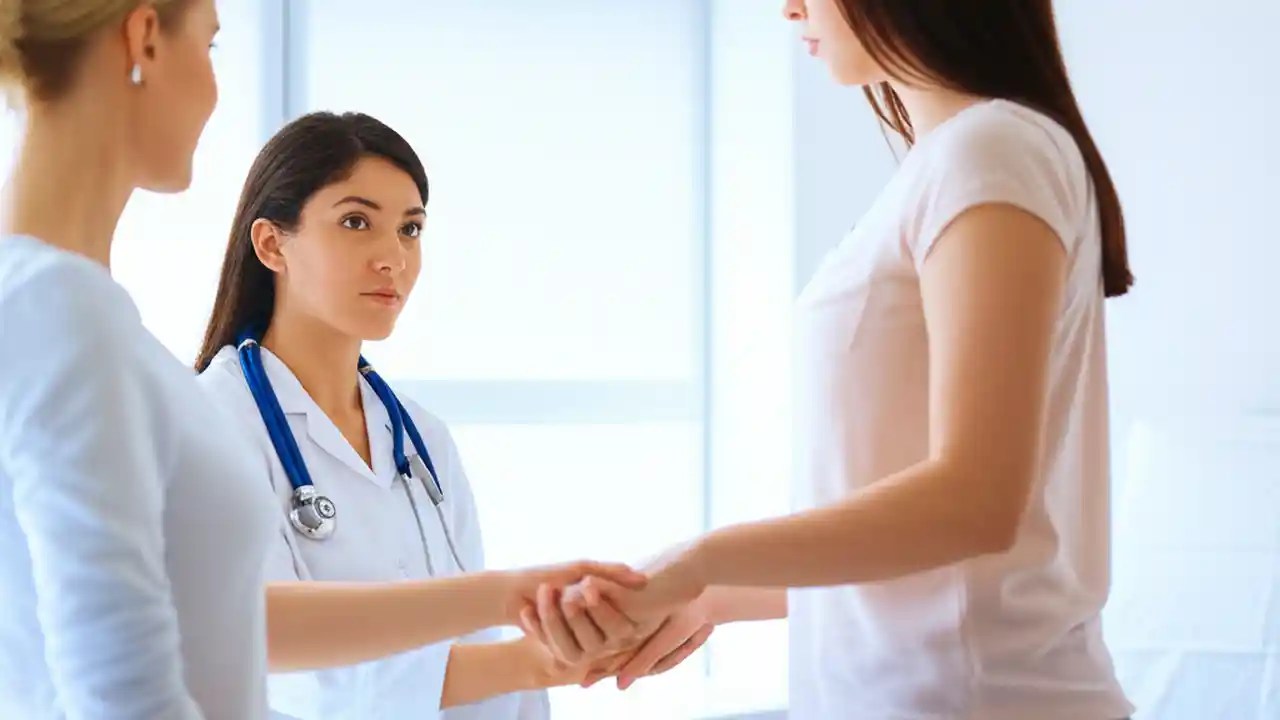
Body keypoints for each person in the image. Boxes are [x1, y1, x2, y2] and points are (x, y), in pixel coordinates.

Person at [532, 2, 1139, 719]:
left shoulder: (991, 150)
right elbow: (926, 557)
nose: (789, 7)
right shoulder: (956, 160)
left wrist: (699, 561)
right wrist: (708, 599)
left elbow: (976, 504)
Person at [194, 110, 646, 719]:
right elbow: (269, 662)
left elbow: (474, 638)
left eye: (410, 230)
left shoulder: (421, 437)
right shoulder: (210, 427)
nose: (393, 258)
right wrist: (532, 660)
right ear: (272, 243)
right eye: (356, 222)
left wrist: (557, 654)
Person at [0, 1, 273, 717]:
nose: (216, 87)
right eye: (209, 44)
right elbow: (124, 698)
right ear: (145, 37)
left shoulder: (69, 310)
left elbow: (207, 630)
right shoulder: (58, 307)